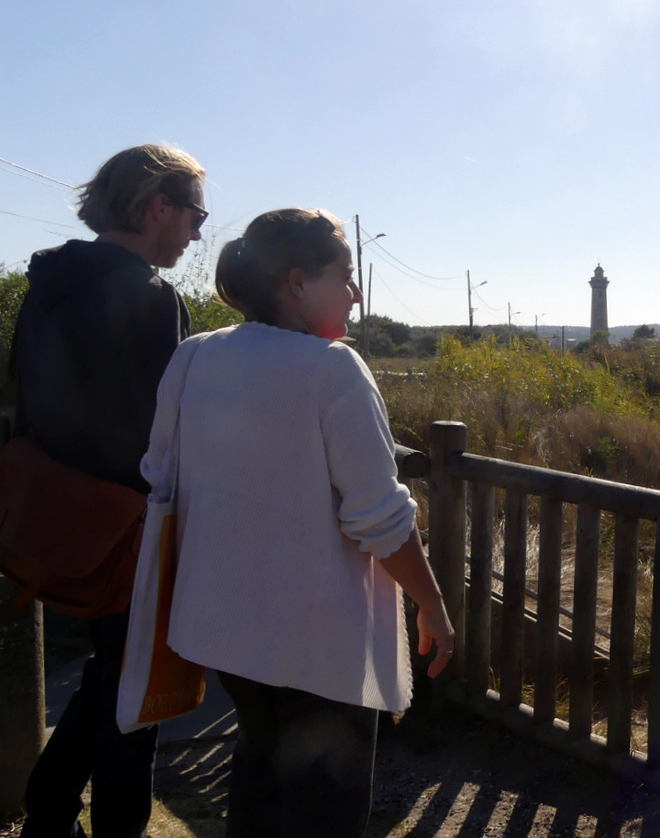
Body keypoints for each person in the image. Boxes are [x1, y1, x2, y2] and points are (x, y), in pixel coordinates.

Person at [140, 208, 454, 836]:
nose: (357, 292)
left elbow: (160, 475)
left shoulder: (196, 356)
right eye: (345, 274)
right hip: (319, 640)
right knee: (324, 805)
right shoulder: (333, 369)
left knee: (258, 765)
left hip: (224, 625)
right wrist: (432, 605)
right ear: (297, 282)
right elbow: (381, 520)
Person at [13, 144, 206, 838]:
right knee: (140, 691)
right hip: (131, 528)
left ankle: (49, 809)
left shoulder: (47, 286)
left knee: (110, 673)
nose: (195, 233)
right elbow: (170, 429)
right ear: (158, 207)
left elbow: (25, 407)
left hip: (61, 525)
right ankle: (114, 827)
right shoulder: (149, 297)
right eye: (194, 214)